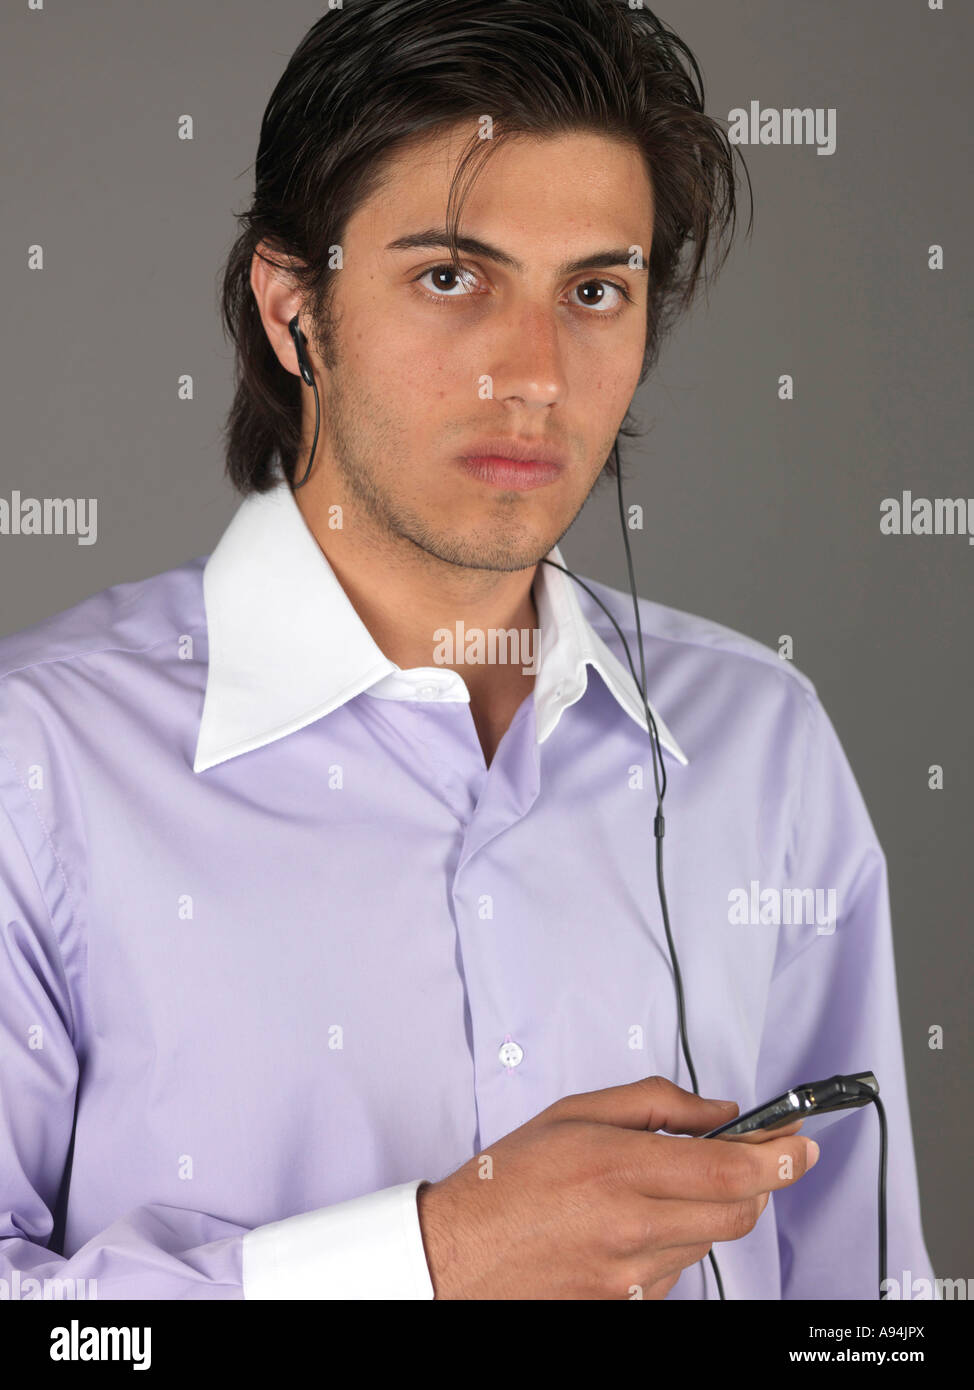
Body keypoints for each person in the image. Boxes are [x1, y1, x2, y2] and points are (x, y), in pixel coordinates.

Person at [0, 0, 934, 1300]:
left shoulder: (762, 738)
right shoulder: (36, 763)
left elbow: (859, 1304)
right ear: (293, 312)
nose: (533, 374)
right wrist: (430, 1256)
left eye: (594, 290)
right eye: (450, 276)